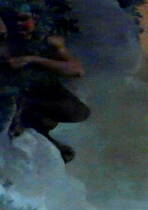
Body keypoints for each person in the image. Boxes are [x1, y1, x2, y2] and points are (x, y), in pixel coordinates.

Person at [0, 9, 88, 162]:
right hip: (18, 101)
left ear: (34, 19)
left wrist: (33, 59)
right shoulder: (6, 44)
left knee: (79, 112)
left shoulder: (48, 42)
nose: (18, 25)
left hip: (47, 99)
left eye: (23, 19)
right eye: (13, 21)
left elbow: (77, 70)